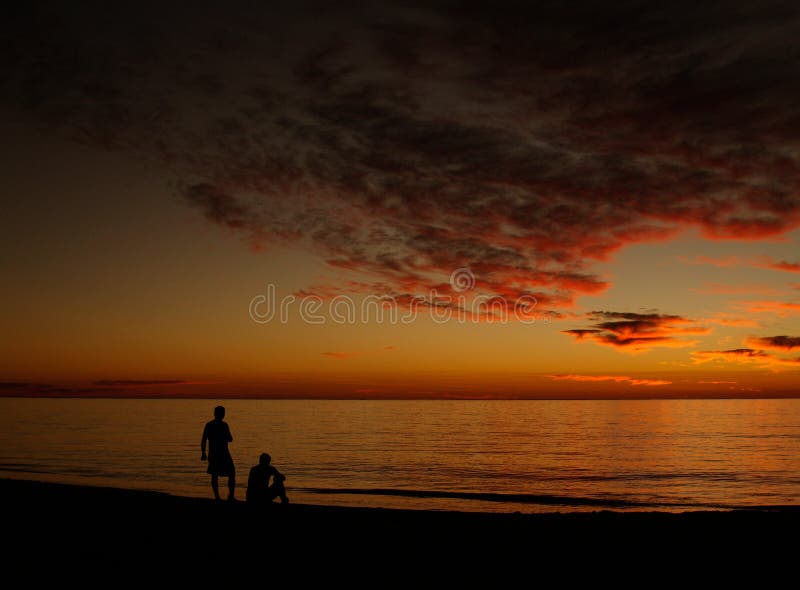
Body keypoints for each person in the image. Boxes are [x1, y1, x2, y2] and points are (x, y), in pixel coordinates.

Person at [201, 405, 236, 501]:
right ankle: (229, 496)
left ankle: (219, 496)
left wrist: (203, 453)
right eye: (223, 413)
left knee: (215, 475)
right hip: (223, 453)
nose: (224, 415)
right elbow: (230, 438)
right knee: (230, 473)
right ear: (221, 414)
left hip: (214, 454)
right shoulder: (224, 425)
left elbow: (204, 440)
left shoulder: (209, 425)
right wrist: (203, 452)